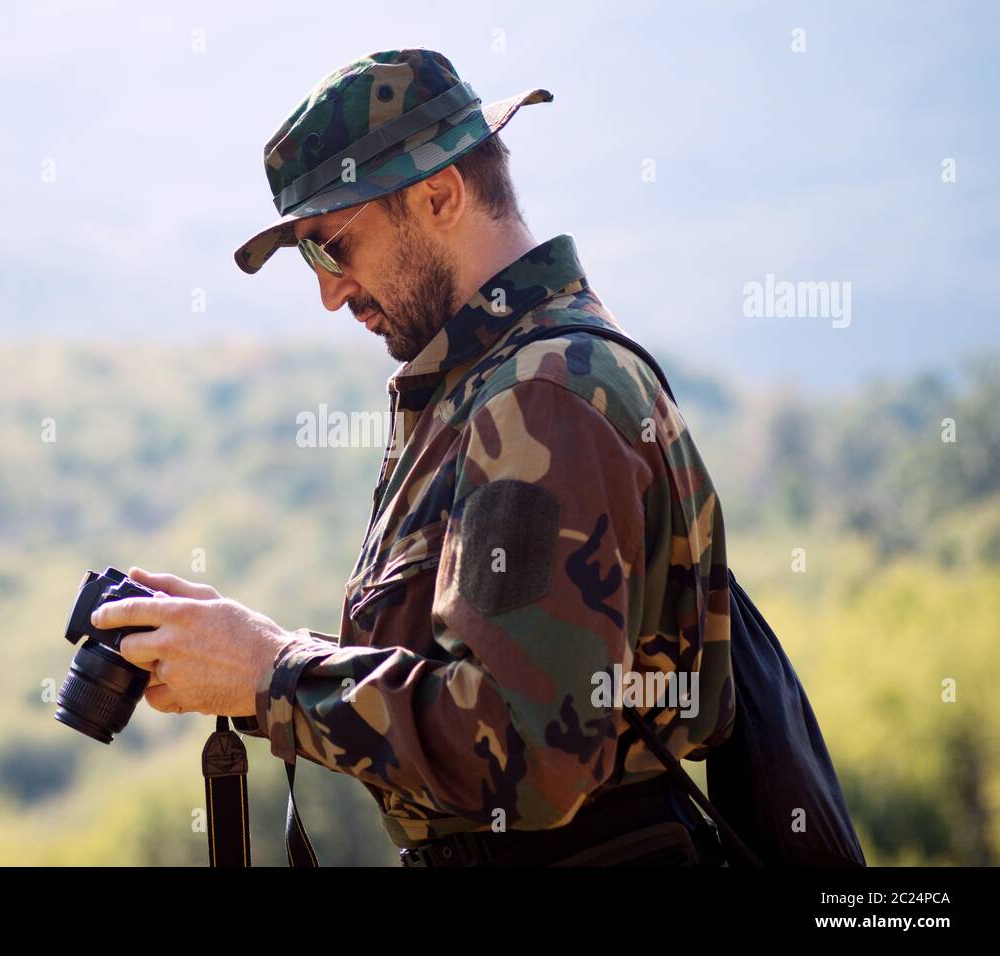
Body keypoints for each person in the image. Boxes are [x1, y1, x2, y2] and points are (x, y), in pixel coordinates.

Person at [91, 48, 735, 866]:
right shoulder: (497, 383)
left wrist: (273, 673)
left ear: (439, 195)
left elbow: (526, 755)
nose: (328, 292)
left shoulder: (542, 398)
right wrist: (240, 657)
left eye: (332, 247)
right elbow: (468, 678)